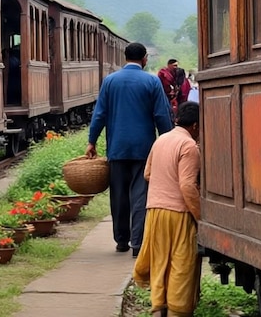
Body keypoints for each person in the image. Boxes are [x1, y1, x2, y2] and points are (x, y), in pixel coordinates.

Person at [86, 42, 174, 256]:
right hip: (144, 149)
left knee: (118, 195)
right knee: (140, 195)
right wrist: (168, 140)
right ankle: (138, 244)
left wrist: (92, 141)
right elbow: (162, 116)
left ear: (125, 57)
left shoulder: (110, 82)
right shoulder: (152, 81)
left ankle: (121, 240)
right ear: (144, 58)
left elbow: (100, 115)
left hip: (117, 148)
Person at [133, 101, 202, 317]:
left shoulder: (161, 140)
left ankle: (157, 309)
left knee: (160, 262)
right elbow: (187, 186)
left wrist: (164, 185)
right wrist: (201, 217)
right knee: (181, 265)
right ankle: (177, 312)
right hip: (178, 214)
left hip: (154, 211)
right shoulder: (189, 146)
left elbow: (147, 174)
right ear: (196, 126)